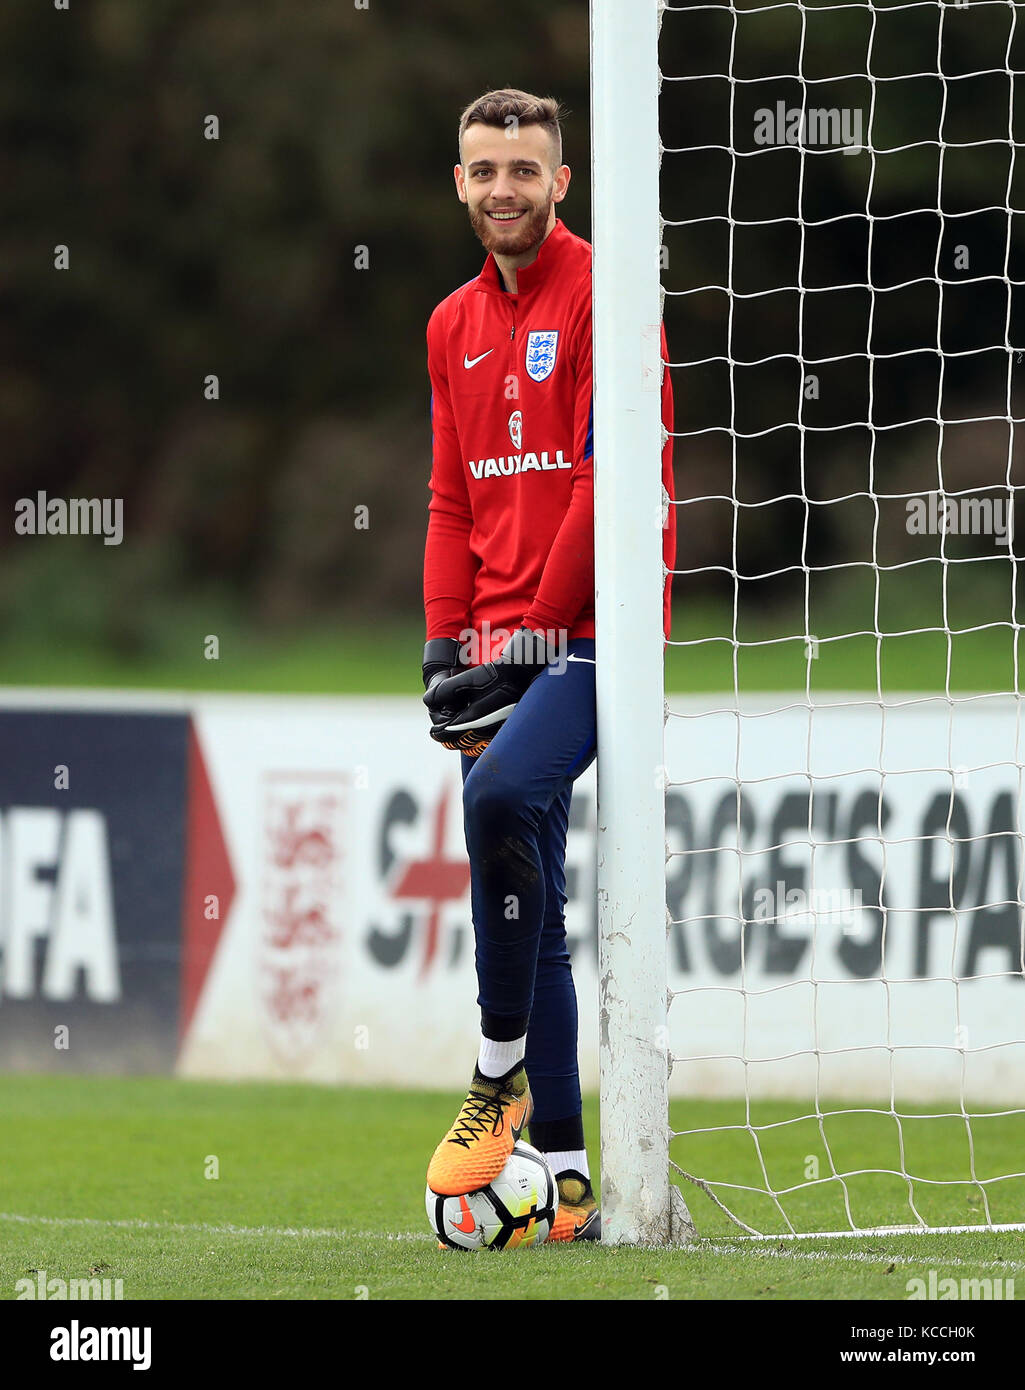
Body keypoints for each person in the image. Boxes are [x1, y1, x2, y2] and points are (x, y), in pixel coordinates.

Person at [421, 88, 676, 1243]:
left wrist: (530, 636)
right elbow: (448, 498)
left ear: (561, 181)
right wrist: (444, 645)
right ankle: (567, 1179)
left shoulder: (604, 295)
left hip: (591, 636)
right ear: (460, 182)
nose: (502, 190)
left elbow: (596, 481)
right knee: (524, 899)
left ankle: (491, 1078)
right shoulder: (447, 326)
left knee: (503, 792)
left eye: (523, 170)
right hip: (495, 647)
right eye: (483, 170)